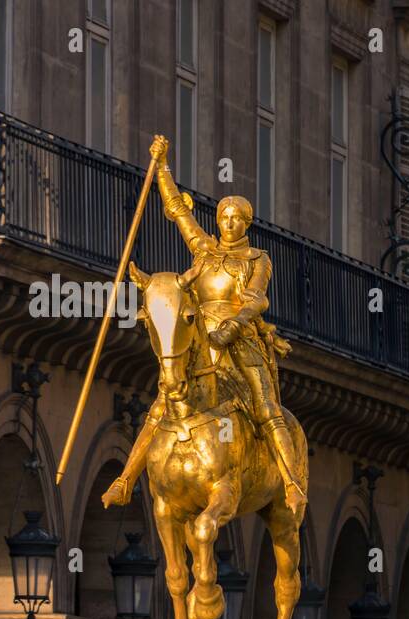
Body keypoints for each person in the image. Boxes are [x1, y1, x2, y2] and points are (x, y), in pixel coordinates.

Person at [103, 135, 305, 511]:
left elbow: (257, 298)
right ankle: (126, 478)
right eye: (224, 217)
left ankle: (292, 482)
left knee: (265, 407)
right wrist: (161, 165)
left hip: (238, 335)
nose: (228, 223)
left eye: (236, 219)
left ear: (246, 223)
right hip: (198, 331)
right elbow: (179, 211)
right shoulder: (204, 249)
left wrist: (235, 324)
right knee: (164, 401)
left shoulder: (256, 259)